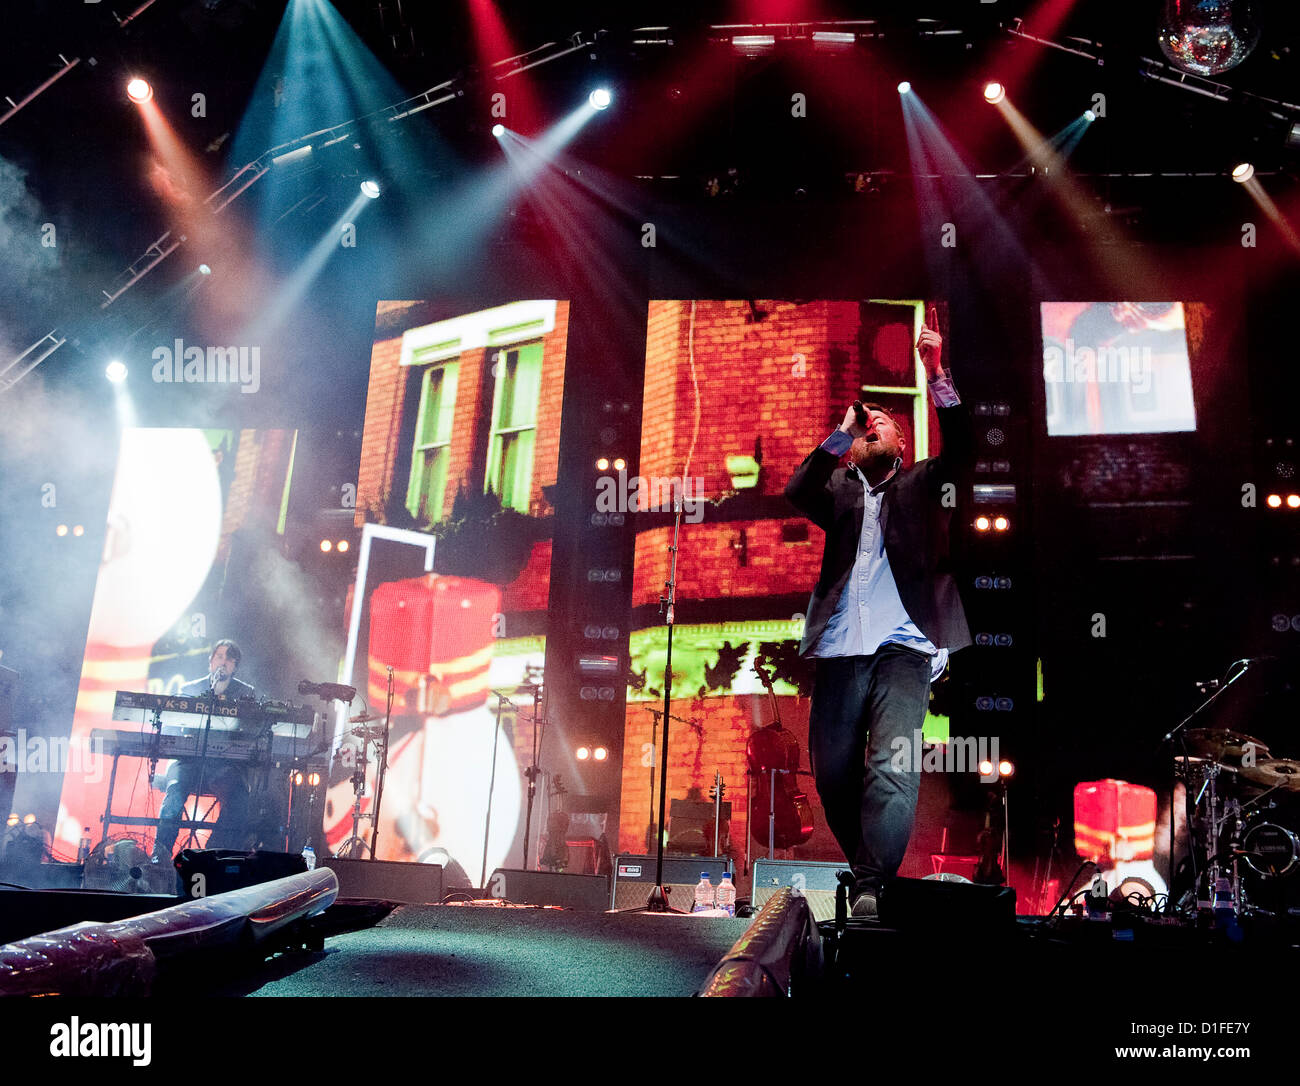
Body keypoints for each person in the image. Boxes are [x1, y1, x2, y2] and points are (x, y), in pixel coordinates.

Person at [784, 311, 973, 917]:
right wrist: (841, 433)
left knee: (891, 764)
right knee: (832, 774)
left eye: (882, 426)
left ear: (902, 447)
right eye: (867, 426)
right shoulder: (838, 489)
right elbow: (798, 490)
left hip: (905, 647)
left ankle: (869, 886)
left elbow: (963, 447)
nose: (873, 428)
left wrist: (936, 372)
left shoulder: (921, 485)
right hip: (841, 647)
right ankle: (869, 873)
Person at [152, 639, 256, 861]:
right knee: (174, 795)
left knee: (239, 797)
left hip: (224, 766)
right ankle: (158, 859)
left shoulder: (245, 693)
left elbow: (251, 730)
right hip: (188, 762)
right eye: (219, 656)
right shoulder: (190, 689)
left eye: (229, 659)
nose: (223, 662)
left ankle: (216, 855)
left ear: (235, 667)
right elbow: (172, 725)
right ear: (210, 662)